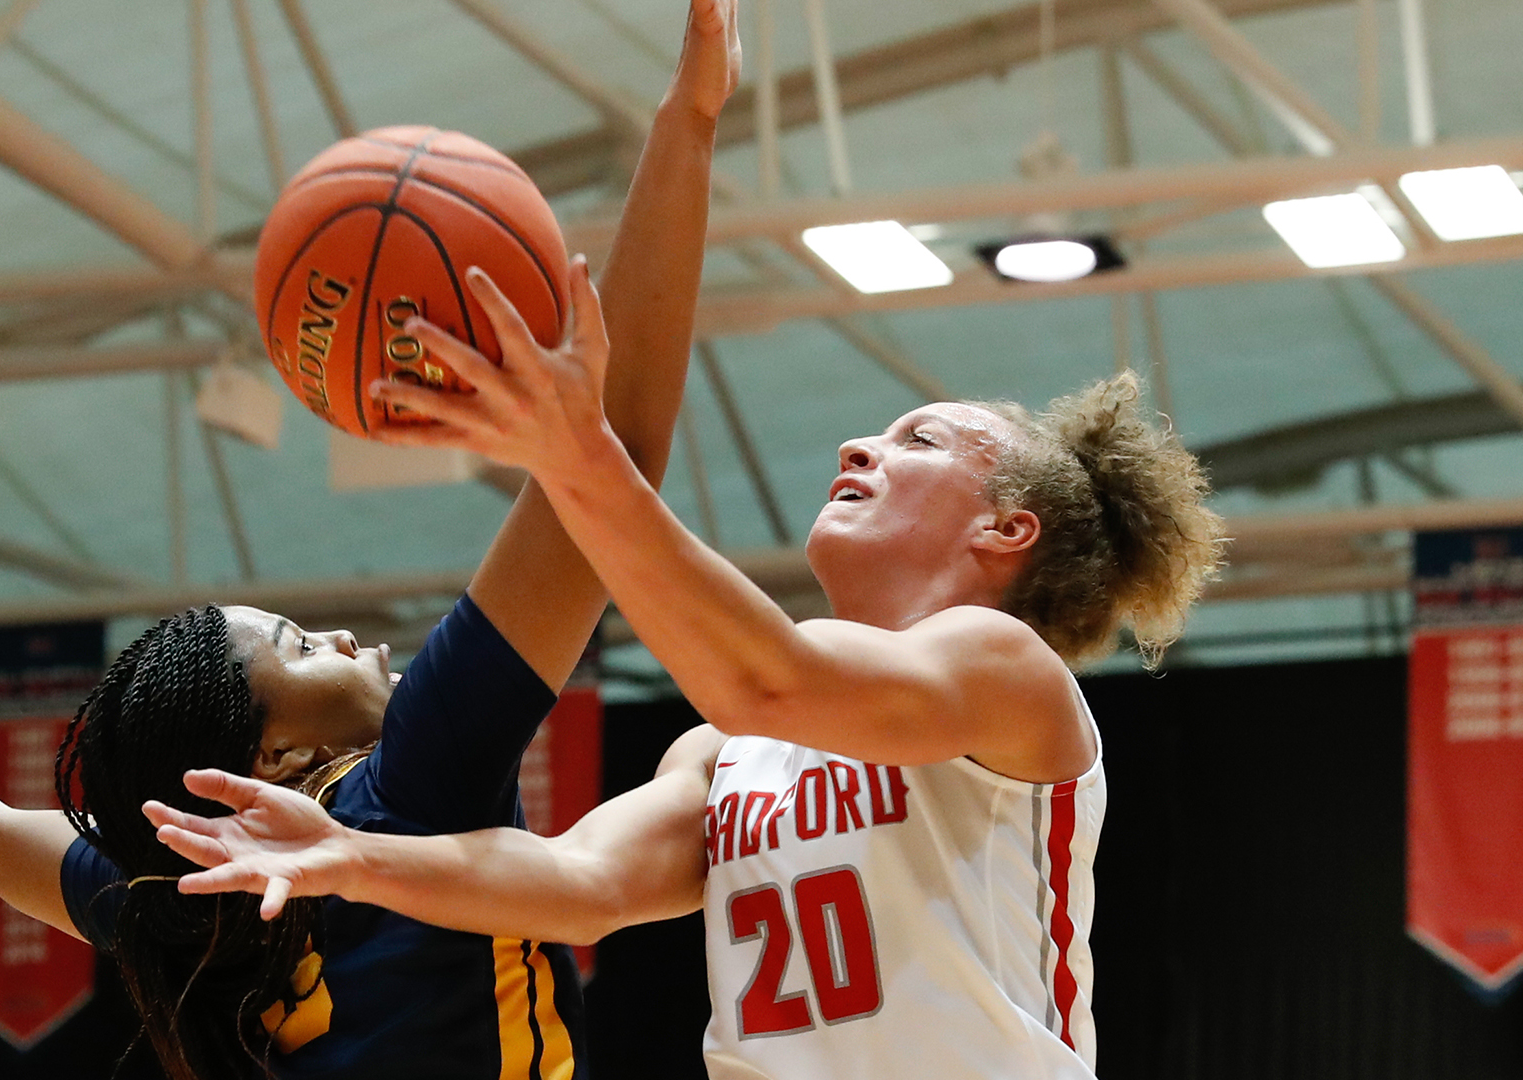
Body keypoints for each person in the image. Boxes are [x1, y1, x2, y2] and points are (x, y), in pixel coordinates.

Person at [0, 4, 739, 1078]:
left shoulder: (185, 894)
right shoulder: (408, 789)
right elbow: (613, 466)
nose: (343, 635)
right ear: (280, 767)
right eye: (303, 648)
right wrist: (684, 129)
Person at [143, 278, 1227, 1076]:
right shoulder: (727, 754)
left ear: (1006, 527)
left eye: (919, 439)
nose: (860, 445)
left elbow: (768, 678)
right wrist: (355, 856)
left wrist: (581, 458)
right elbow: (583, 892)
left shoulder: (1002, 671)